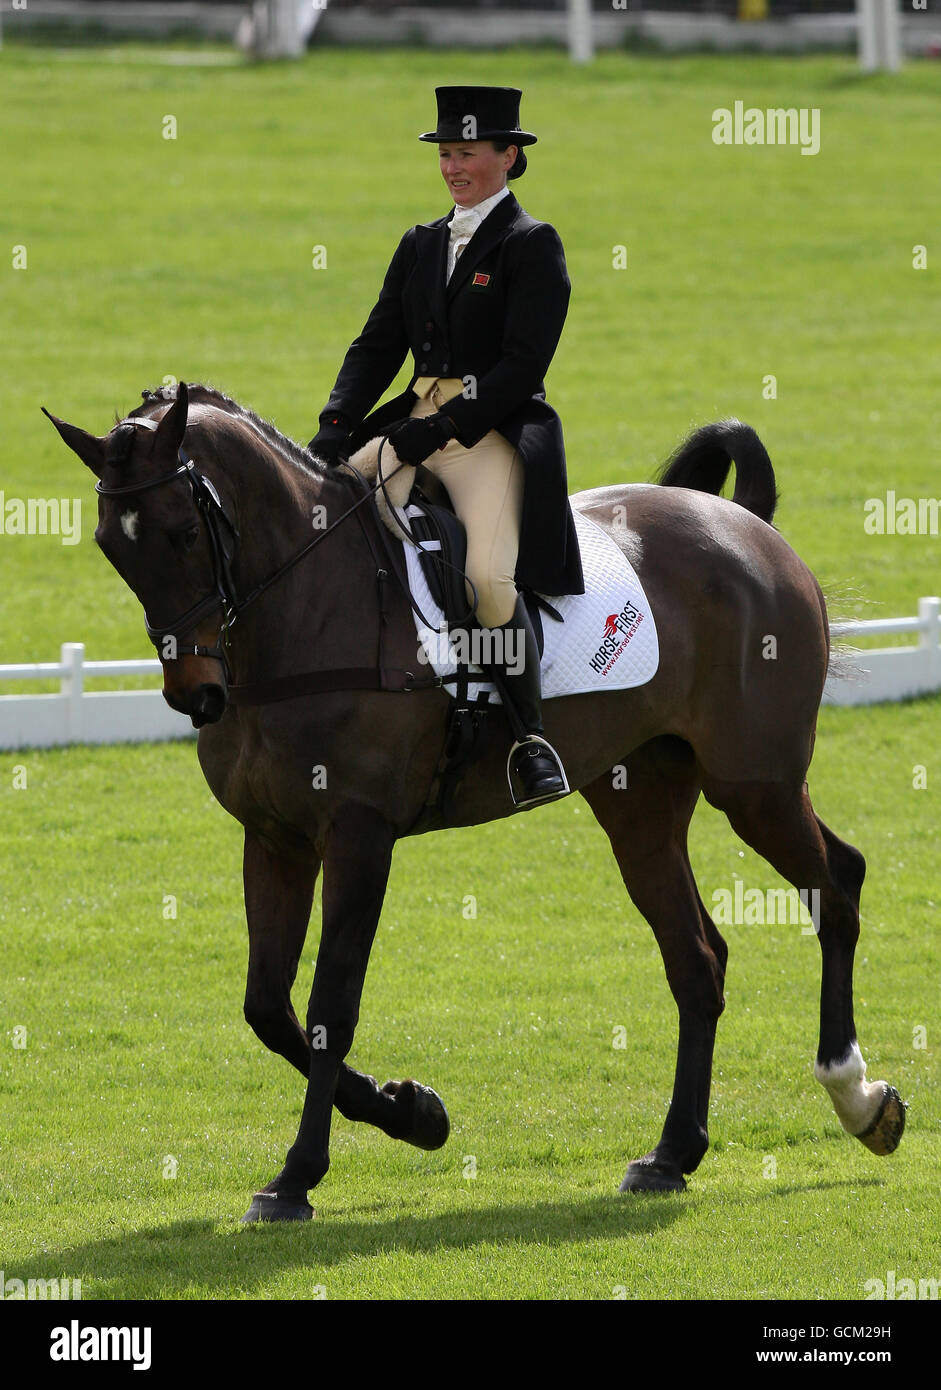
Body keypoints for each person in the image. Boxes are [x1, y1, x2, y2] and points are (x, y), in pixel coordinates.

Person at [309, 85, 583, 808]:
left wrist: (442, 424)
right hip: (409, 425)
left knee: (488, 581)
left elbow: (522, 366)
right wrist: (335, 427)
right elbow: (376, 343)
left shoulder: (531, 245)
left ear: (508, 156)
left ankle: (530, 739)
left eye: (468, 154)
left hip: (484, 433)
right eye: (447, 155)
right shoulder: (421, 243)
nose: (455, 167)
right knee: (322, 526)